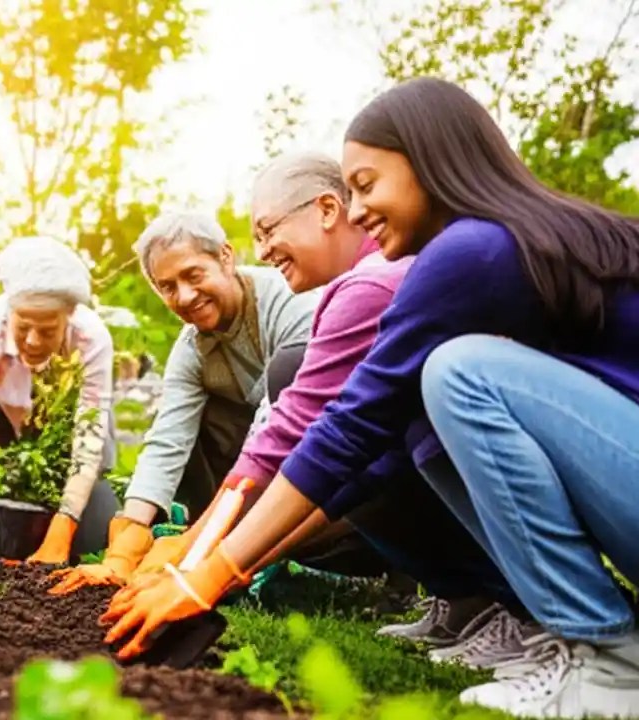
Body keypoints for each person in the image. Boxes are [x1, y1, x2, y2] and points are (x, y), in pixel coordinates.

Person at [102, 77, 639, 719]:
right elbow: (365, 461)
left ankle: (611, 658)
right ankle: (520, 616)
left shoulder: (468, 250)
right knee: (416, 424)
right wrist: (217, 562)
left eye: (365, 185)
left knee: (456, 374)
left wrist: (206, 573)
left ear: (431, 162)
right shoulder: (476, 251)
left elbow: (336, 428)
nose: (355, 211)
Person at [60, 212, 318, 583]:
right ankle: (211, 537)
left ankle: (222, 544)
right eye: (167, 287)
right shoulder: (191, 346)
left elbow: (273, 430)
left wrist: (201, 545)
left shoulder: (290, 303)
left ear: (226, 257)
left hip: (319, 470)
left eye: (193, 275)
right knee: (191, 419)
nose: (184, 296)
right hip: (250, 478)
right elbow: (168, 438)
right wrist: (124, 545)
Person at [0, 236, 119, 564]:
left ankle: (60, 519)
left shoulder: (91, 337)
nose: (32, 341)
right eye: (23, 327)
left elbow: (88, 440)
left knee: (89, 545)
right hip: (8, 434)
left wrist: (65, 524)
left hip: (75, 445)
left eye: (47, 330)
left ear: (69, 316)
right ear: (9, 310)